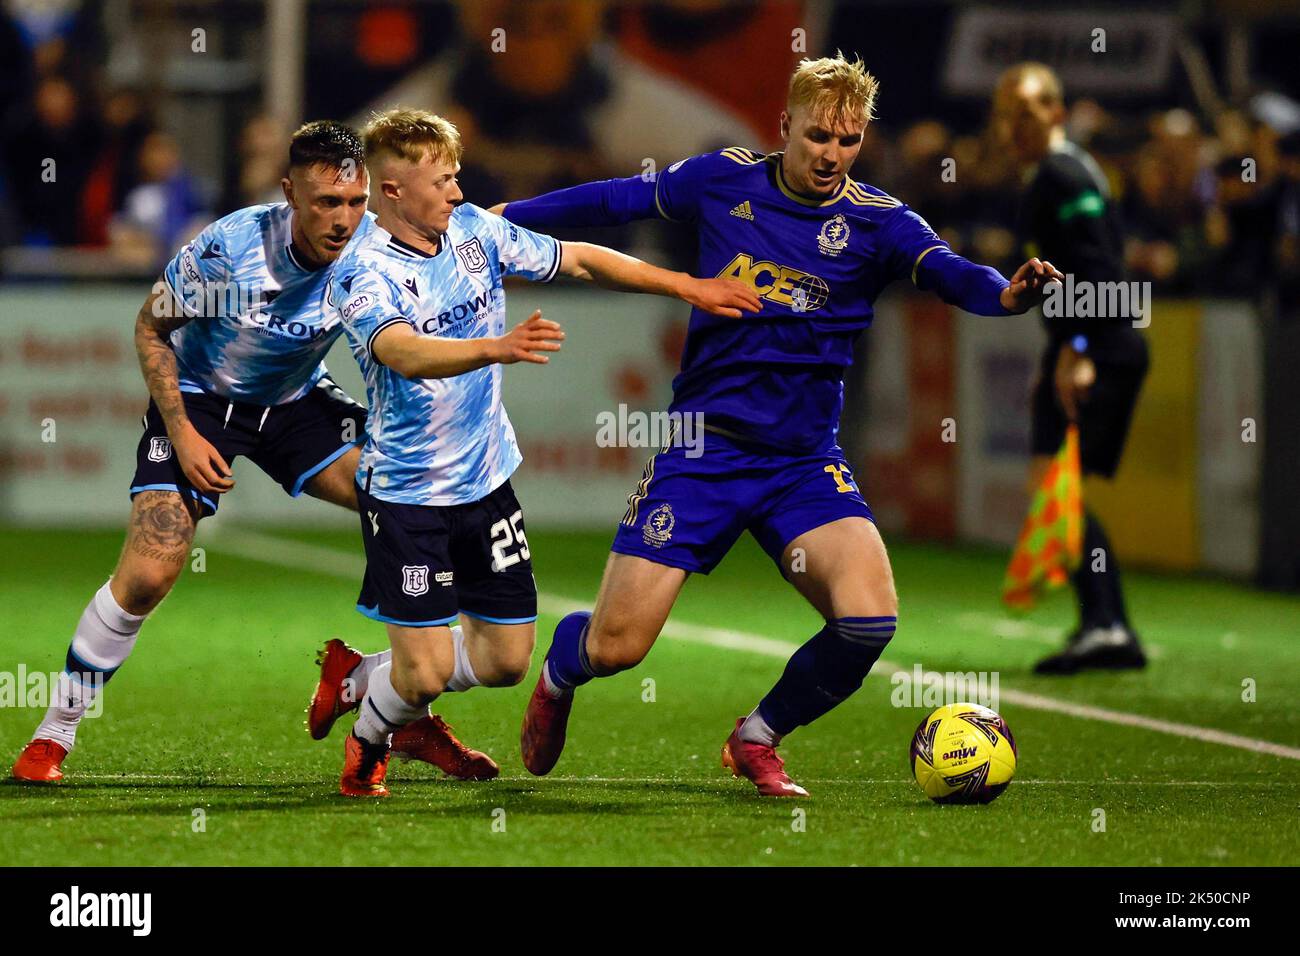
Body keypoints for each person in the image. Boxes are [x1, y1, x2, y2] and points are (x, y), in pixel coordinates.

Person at [494, 53, 1063, 796]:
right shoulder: (720, 180)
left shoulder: (879, 222)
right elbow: (613, 202)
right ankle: (563, 671)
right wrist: (502, 219)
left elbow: (950, 270)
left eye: (849, 140)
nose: (832, 154)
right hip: (705, 452)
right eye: (819, 136)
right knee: (617, 647)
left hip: (802, 463)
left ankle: (757, 736)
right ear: (786, 125)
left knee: (867, 622)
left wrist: (1006, 295)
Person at [11, 121, 481, 783]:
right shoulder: (230, 249)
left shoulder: (377, 251)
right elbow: (151, 327)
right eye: (325, 203)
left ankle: (386, 697)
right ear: (290, 192)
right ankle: (53, 734)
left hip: (296, 404)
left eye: (355, 202)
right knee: (148, 574)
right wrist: (182, 431)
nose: (343, 220)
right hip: (202, 401)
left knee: (432, 522)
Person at [326, 108, 759, 797]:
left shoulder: (473, 231)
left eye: (457, 177)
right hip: (408, 496)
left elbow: (583, 257)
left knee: (505, 661)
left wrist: (691, 288)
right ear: (393, 191)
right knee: (428, 674)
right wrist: (495, 348)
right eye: (441, 183)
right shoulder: (363, 269)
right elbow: (400, 352)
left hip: (487, 483)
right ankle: (368, 741)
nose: (457, 194)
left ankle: (356, 677)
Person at [993, 63, 1149, 674]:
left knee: (1057, 485)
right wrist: (1061, 347)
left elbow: (1101, 267)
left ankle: (1107, 625)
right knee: (1058, 487)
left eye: (1027, 112)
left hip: (1103, 344)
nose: (1013, 126)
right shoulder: (1059, 172)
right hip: (1097, 340)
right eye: (1006, 113)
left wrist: (1077, 348)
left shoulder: (1059, 173)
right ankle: (1104, 625)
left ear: (1057, 113)